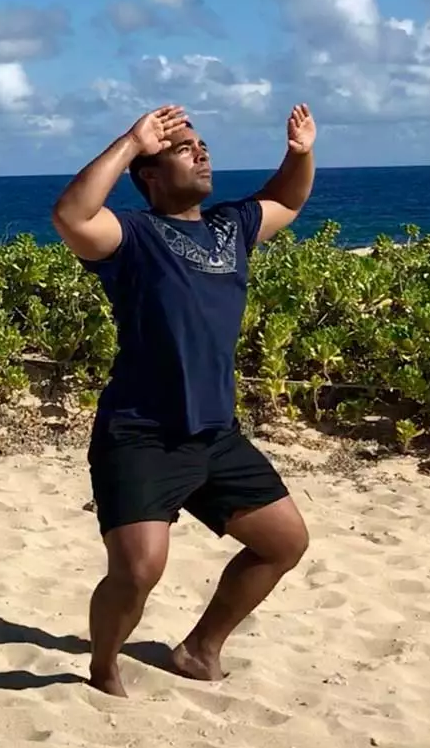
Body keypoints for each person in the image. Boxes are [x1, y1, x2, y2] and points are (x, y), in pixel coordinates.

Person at [50, 102, 317, 696]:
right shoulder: (135, 236)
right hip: (140, 433)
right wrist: (130, 140)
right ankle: (102, 666)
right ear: (148, 174)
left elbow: (289, 200)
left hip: (215, 433)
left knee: (284, 543)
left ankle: (199, 649)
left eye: (201, 145)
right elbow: (71, 215)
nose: (200, 152)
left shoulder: (231, 227)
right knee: (139, 570)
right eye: (181, 147)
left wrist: (298, 154)